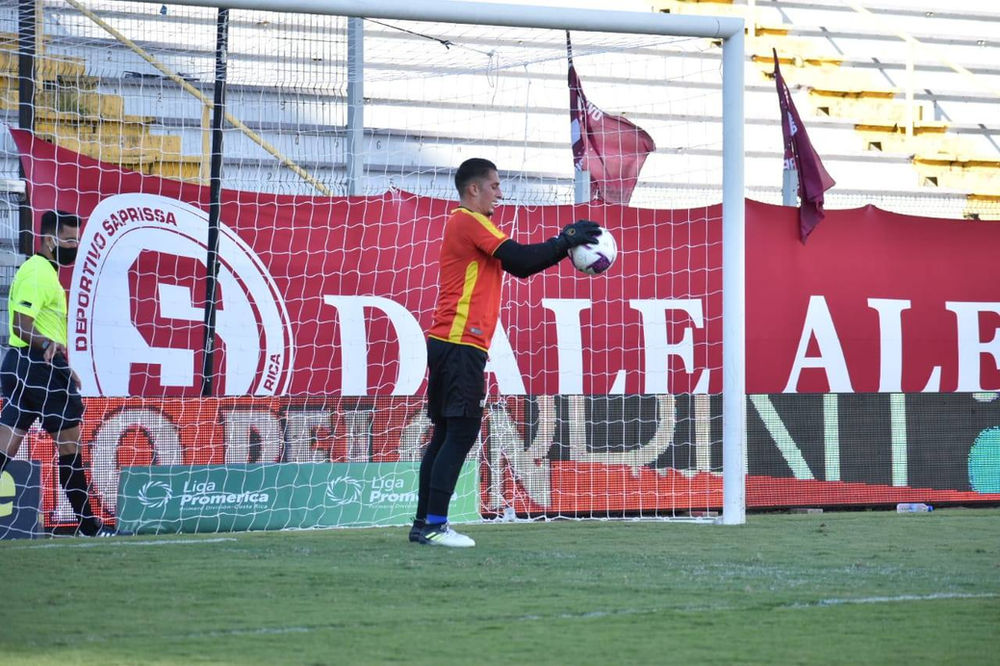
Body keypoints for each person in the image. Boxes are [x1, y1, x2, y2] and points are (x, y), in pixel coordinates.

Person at [411, 158, 601, 547]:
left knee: (446, 433)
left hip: (453, 342)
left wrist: (563, 245)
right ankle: (433, 525)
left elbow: (522, 267)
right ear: (473, 189)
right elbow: (518, 258)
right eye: (495, 185)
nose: (500, 192)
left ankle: (423, 524)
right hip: (460, 343)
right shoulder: (468, 220)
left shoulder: (470, 224)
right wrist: (565, 240)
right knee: (459, 432)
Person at [0, 210, 107, 536]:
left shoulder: (41, 270)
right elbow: (21, 324)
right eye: (70, 240)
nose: (75, 245)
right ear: (50, 240)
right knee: (70, 447)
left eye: (77, 239)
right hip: (38, 368)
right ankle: (90, 527)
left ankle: (89, 525)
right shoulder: (37, 273)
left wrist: (63, 363)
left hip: (25, 366)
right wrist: (49, 349)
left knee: (5, 447)